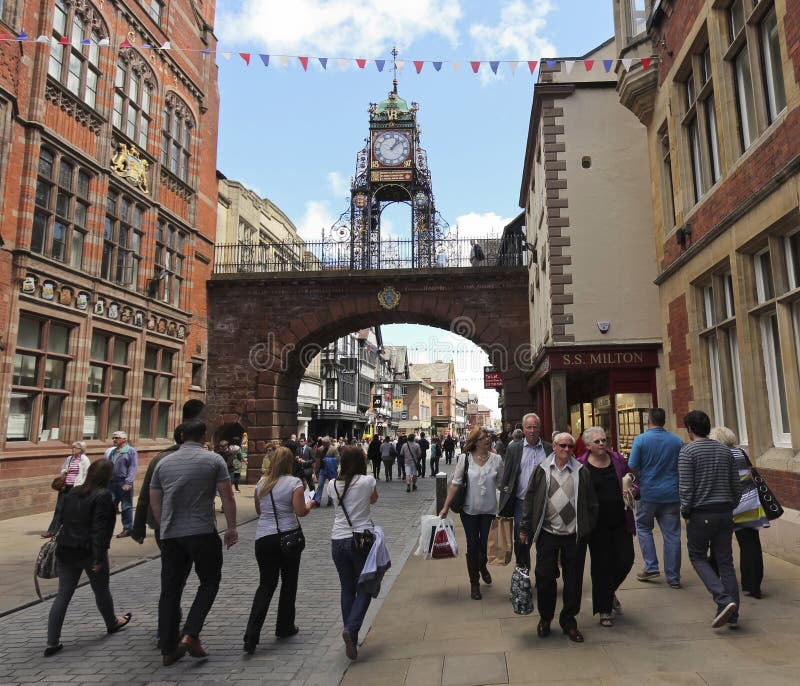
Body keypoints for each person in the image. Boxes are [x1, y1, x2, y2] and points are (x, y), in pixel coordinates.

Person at [150, 420, 238, 666]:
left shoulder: (163, 463)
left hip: (171, 535)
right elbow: (227, 496)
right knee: (209, 581)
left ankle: (168, 648)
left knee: (170, 589)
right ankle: (190, 633)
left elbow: (154, 500)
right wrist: (231, 528)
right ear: (203, 435)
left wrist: (164, 525)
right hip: (201, 531)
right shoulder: (213, 460)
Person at [44, 460, 132, 656]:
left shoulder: (73, 492)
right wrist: (99, 557)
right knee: (100, 589)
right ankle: (112, 623)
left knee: (63, 594)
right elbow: (99, 529)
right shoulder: (103, 496)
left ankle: (52, 642)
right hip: (88, 551)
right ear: (107, 476)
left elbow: (62, 520)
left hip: (66, 548)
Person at [520, 432, 598, 643]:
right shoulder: (542, 469)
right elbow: (530, 499)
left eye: (570, 446)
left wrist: (588, 527)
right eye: (562, 445)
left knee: (573, 581)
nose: (566, 449)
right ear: (554, 446)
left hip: (573, 535)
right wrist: (525, 527)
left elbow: (592, 503)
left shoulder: (582, 472)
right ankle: (545, 619)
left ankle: (569, 621)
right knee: (545, 578)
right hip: (548, 533)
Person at [244, 447, 316, 654]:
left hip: (264, 538)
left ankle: (251, 634)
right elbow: (300, 512)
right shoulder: (294, 483)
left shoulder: (261, 483)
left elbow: (259, 511)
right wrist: (309, 503)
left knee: (265, 585)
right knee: (288, 582)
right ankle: (284, 625)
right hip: (288, 537)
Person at [679, 411, 741, 629]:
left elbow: (686, 488)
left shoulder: (688, 452)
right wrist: (731, 505)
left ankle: (723, 599)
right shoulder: (726, 451)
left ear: (689, 429)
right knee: (725, 562)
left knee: (697, 556)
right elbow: (736, 485)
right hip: (725, 512)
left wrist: (685, 512)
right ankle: (732, 614)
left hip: (701, 513)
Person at [577, 427, 637, 627]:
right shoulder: (581, 465)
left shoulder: (618, 459)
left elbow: (634, 480)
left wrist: (633, 491)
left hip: (621, 520)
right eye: (597, 441)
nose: (602, 443)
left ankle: (607, 593)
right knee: (601, 566)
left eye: (604, 439)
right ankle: (604, 610)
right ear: (588, 446)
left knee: (626, 559)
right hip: (596, 525)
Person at [439, 427, 503, 600]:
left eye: (488, 437)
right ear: (475, 442)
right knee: (473, 546)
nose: (487, 440)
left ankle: (481, 566)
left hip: (489, 510)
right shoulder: (464, 459)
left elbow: (501, 484)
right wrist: (445, 507)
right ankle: (474, 583)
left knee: (484, 546)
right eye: (483, 438)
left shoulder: (497, 459)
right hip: (469, 511)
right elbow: (455, 484)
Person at [329, 445, 379, 660]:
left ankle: (350, 631)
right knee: (367, 586)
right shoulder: (367, 481)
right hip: (361, 539)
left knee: (347, 587)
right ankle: (351, 629)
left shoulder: (332, 484)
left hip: (338, 540)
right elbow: (374, 499)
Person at [708, 426, 768, 599]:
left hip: (727, 504)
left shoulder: (718, 455)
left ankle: (715, 578)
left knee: (719, 543)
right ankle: (753, 586)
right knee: (750, 543)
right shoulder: (741, 452)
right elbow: (749, 474)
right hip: (748, 503)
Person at [628, 408, 685, 588]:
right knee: (673, 535)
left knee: (644, 528)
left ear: (648, 420)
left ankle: (651, 566)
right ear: (664, 420)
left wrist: (640, 477)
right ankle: (674, 577)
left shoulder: (641, 440)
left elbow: (632, 465)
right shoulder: (677, 441)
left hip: (648, 492)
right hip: (671, 493)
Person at [497, 413, 552, 566]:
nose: (532, 431)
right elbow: (507, 477)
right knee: (521, 543)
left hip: (545, 503)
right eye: (529, 427)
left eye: (535, 427)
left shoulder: (548, 448)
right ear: (523, 429)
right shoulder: (514, 448)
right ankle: (523, 577)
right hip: (522, 503)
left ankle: (543, 578)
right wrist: (503, 505)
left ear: (540, 428)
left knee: (545, 543)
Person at [43, 441, 90, 538]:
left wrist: (83, 487)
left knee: (73, 510)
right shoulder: (69, 458)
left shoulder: (84, 459)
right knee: (59, 508)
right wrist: (65, 470)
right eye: (72, 447)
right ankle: (52, 531)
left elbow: (86, 474)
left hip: (76, 487)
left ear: (81, 450)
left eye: (75, 448)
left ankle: (70, 531)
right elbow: (62, 469)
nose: (73, 449)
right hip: (65, 487)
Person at [104, 431, 138, 538]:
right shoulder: (113, 451)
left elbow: (133, 467)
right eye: (113, 438)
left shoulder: (130, 451)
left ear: (124, 439)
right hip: (112, 482)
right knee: (110, 505)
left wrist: (128, 482)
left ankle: (128, 528)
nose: (114, 440)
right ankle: (107, 528)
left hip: (123, 482)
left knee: (126, 506)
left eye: (117, 438)